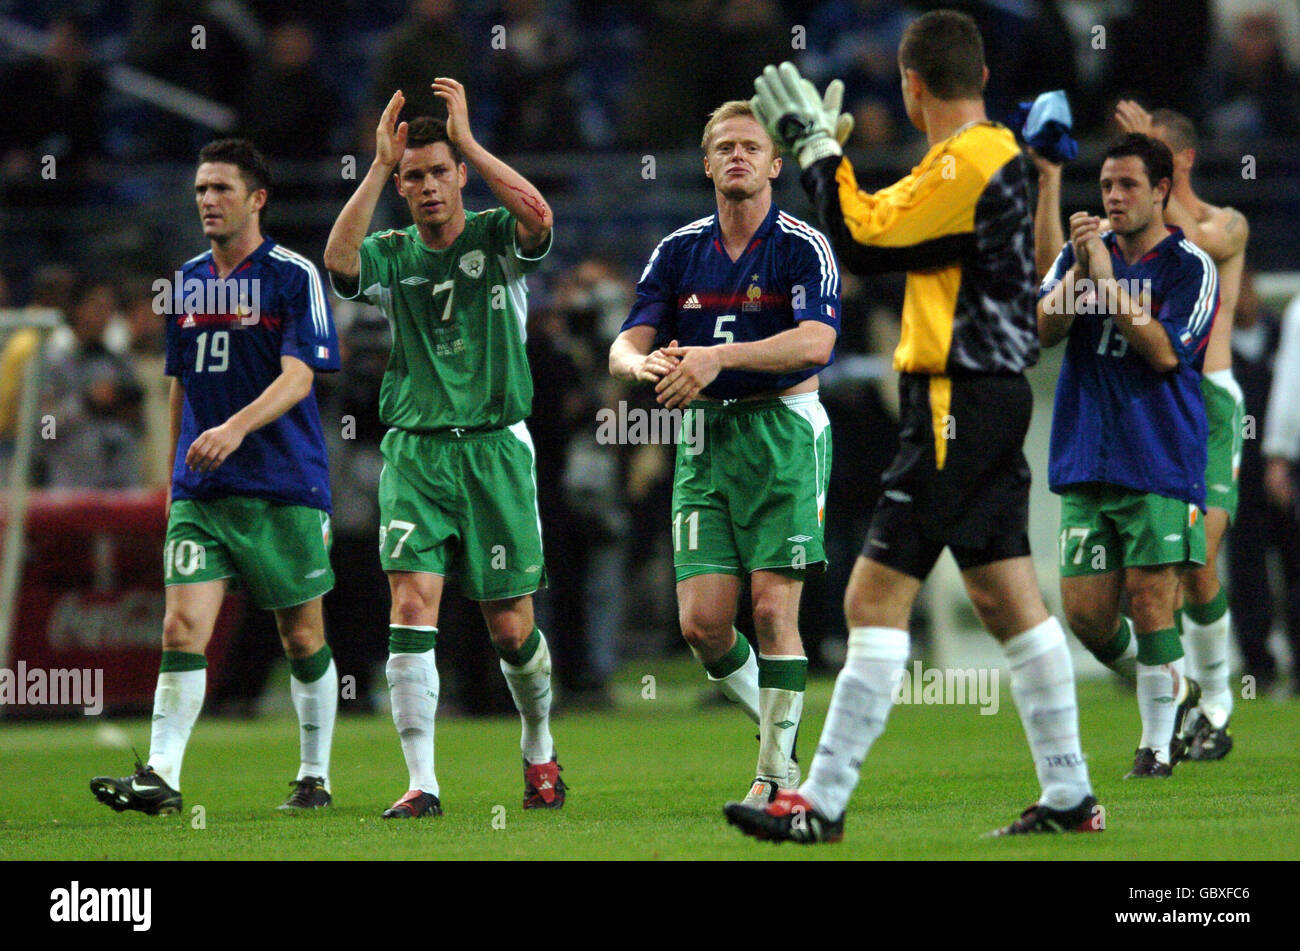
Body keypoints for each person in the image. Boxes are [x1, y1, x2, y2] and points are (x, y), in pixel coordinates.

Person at [728, 9, 1099, 843]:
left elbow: (861, 241)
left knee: (871, 597)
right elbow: (870, 215)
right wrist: (832, 162)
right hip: (983, 398)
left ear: (911, 85)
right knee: (1007, 599)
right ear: (983, 78)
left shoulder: (967, 163)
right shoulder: (970, 160)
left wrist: (815, 151)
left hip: (952, 403)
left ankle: (819, 803)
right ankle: (1071, 793)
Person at [323, 80, 561, 818]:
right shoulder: (392, 253)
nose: (427, 186)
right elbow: (338, 261)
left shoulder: (496, 239)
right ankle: (422, 782)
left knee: (511, 626)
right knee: (410, 601)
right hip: (417, 453)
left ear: (459, 176)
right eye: (413, 176)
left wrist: (472, 143)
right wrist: (375, 166)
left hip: (494, 450)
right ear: (401, 186)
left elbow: (540, 217)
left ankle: (539, 746)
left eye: (438, 172)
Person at [91, 138, 342, 814]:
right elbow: (179, 383)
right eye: (201, 188)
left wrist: (234, 428)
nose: (207, 199)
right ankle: (161, 777)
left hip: (284, 483)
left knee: (302, 637)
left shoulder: (293, 275)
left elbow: (301, 376)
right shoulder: (186, 281)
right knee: (180, 628)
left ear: (257, 198)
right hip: (203, 492)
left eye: (222, 188)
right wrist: (177, 473)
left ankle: (314, 775)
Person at [609, 100, 841, 806]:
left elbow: (817, 342)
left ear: (775, 165)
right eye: (724, 147)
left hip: (783, 433)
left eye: (751, 146)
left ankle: (774, 778)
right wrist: (641, 366)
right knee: (703, 624)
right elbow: (627, 342)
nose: (737, 155)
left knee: (772, 609)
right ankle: (783, 739)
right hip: (704, 436)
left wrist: (719, 357)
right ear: (708, 165)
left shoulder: (803, 245)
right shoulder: (679, 250)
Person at [1035, 132, 1217, 779]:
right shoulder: (1082, 254)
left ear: (1161, 190)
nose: (1113, 196)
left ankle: (1156, 746)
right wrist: (1079, 275)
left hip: (1159, 455)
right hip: (1086, 455)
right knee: (1086, 615)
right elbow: (1042, 330)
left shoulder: (1190, 267)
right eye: (1107, 185)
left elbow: (1165, 352)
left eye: (1128, 185)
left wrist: (1108, 286)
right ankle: (1178, 691)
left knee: (1150, 598)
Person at [1112, 103, 1248, 759]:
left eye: (1154, 157)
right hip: (1160, 401)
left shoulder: (1227, 221)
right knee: (1162, 570)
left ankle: (1216, 702)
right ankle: (1187, 700)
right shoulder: (1140, 234)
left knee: (1199, 560)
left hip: (1212, 401)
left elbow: (1204, 244)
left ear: (1181, 162)